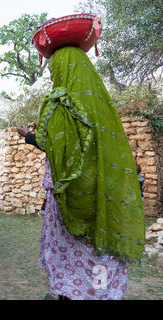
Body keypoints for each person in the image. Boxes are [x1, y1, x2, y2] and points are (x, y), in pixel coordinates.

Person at [17, 46, 145, 300]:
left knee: (71, 250)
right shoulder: (100, 104)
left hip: (70, 200)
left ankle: (69, 294)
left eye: (54, 69)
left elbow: (50, 143)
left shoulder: (60, 104)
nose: (53, 76)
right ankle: (98, 293)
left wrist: (27, 135)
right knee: (98, 251)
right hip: (104, 196)